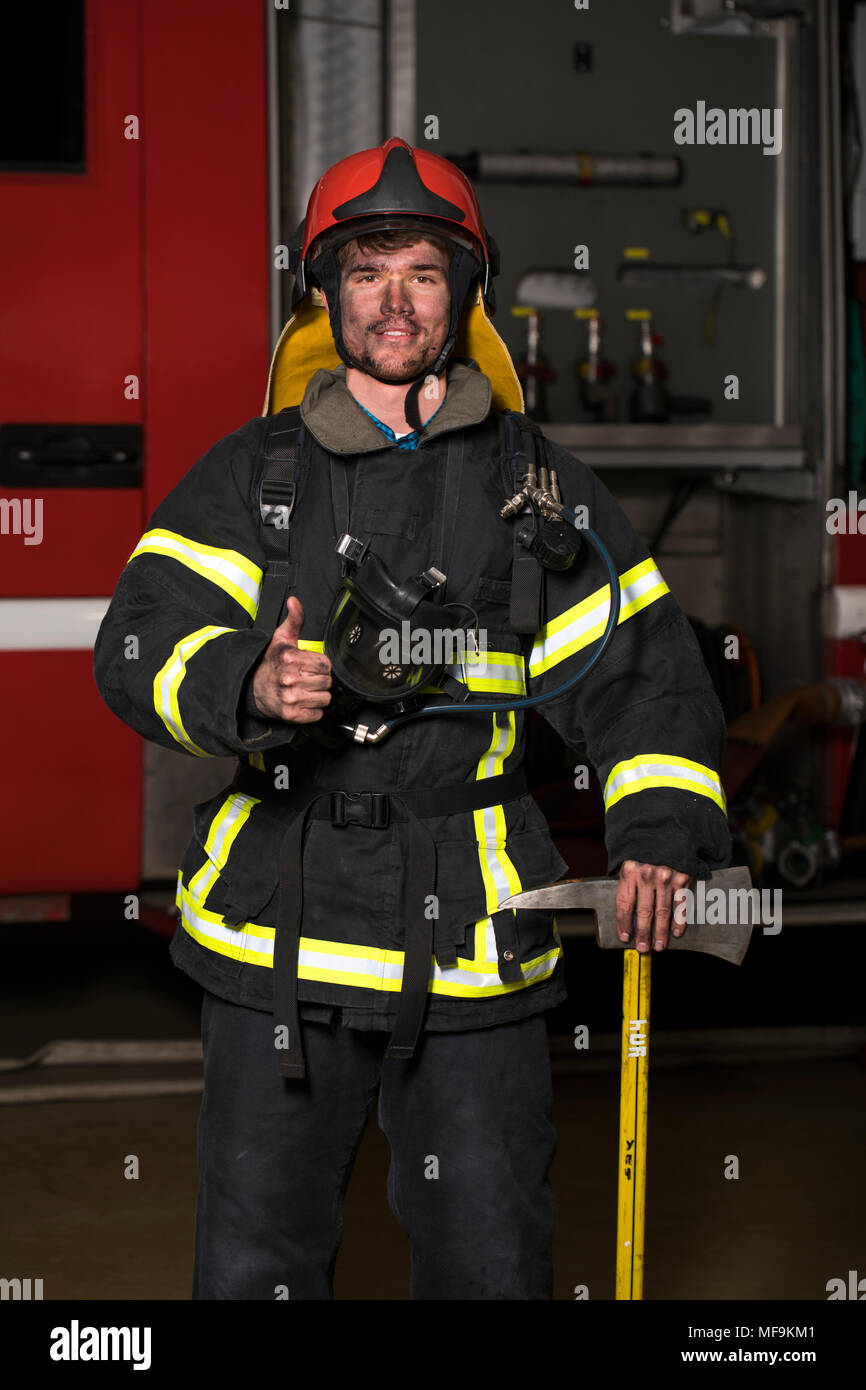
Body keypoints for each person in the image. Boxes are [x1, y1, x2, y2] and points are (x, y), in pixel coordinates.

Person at [93, 136, 731, 1301]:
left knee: (491, 1262)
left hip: (473, 944)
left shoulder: (539, 489)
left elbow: (645, 680)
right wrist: (246, 681)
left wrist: (657, 839)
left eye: (422, 273)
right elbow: (136, 642)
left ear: (464, 292)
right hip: (273, 938)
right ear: (326, 292)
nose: (393, 301)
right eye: (367, 271)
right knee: (254, 1264)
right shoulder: (253, 478)